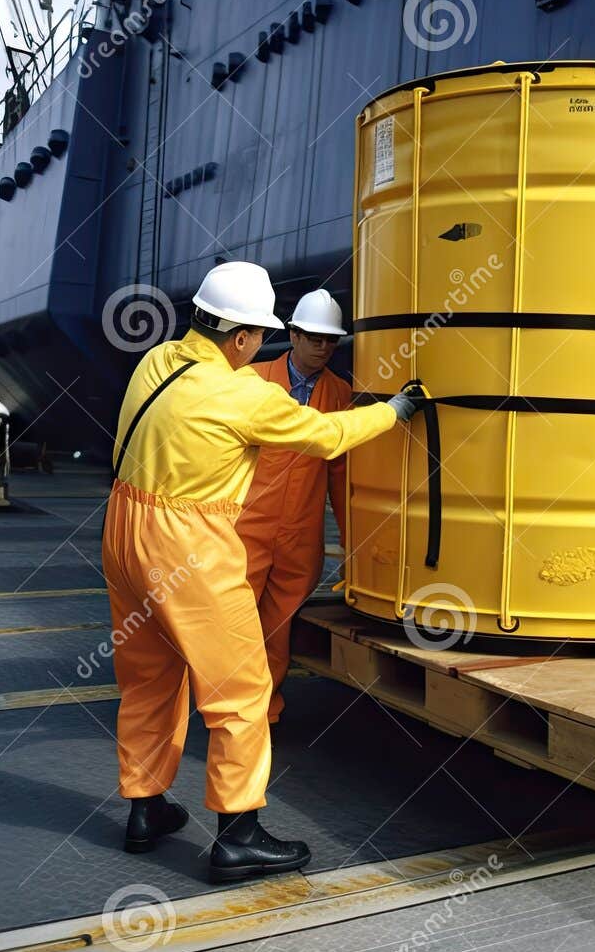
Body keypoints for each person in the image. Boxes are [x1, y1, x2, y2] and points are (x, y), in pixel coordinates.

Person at [103, 261, 424, 882]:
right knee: (242, 689)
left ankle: (145, 807)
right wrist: (393, 411)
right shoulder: (246, 392)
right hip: (188, 541)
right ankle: (238, 833)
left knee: (149, 674)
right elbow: (328, 436)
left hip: (123, 527)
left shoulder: (157, 362)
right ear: (245, 337)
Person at [235, 288, 350, 724]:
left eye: (331, 340)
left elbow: (339, 474)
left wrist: (353, 541)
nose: (323, 348)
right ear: (294, 335)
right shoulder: (253, 379)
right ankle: (230, 709)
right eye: (314, 338)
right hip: (245, 529)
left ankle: (262, 714)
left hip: (300, 538)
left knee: (276, 630)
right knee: (235, 626)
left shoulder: (339, 392)